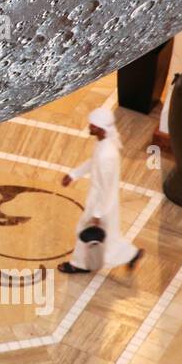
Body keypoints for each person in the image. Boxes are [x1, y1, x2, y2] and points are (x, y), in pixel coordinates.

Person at [58, 106, 143, 274]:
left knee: (84, 232)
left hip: (100, 203)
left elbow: (103, 187)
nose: (89, 127)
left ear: (101, 128)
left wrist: (97, 214)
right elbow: (93, 162)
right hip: (103, 202)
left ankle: (79, 265)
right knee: (109, 237)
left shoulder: (107, 155)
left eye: (92, 125)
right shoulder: (104, 144)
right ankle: (131, 254)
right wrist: (74, 174)